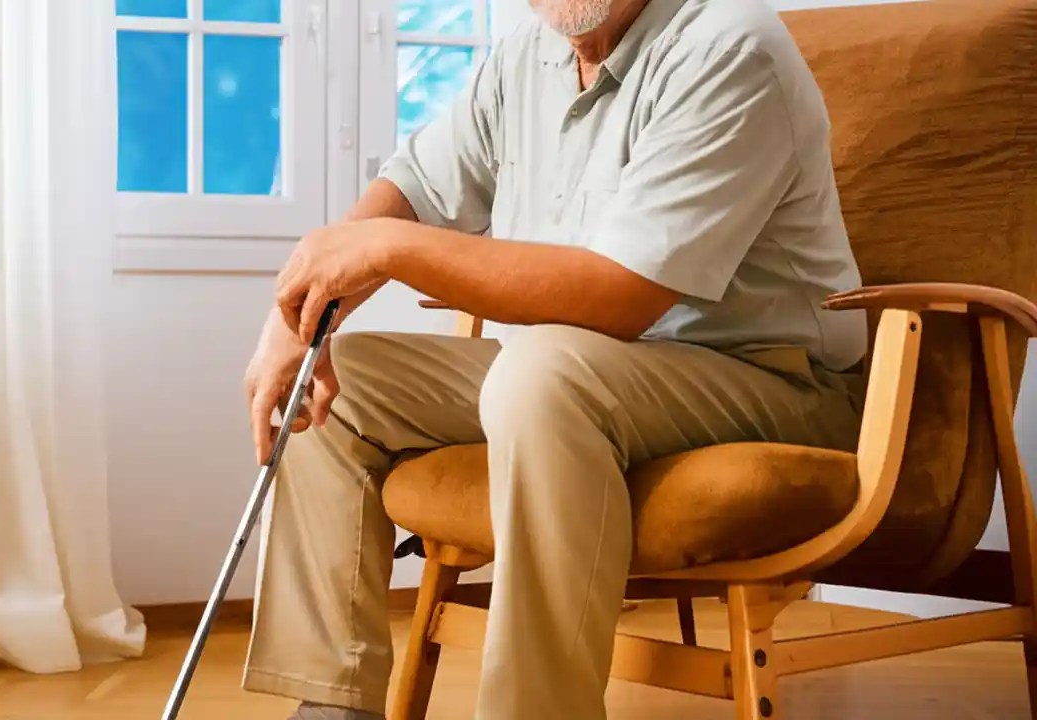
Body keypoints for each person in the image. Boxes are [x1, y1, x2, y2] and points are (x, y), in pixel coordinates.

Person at [242, 0, 866, 717]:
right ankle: (331, 707)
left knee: (540, 375)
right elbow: (415, 187)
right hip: (581, 372)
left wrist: (389, 251)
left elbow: (620, 296)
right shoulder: (522, 58)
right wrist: (296, 317)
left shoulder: (728, 48)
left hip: (773, 382)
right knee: (342, 388)